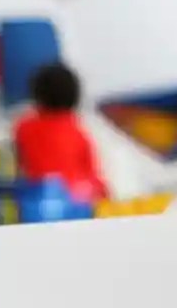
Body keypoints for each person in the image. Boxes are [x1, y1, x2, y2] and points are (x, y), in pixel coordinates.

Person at [14, 63, 108, 203]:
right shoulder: (77, 131)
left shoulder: (24, 127)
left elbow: (22, 164)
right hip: (76, 199)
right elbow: (91, 173)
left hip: (39, 199)